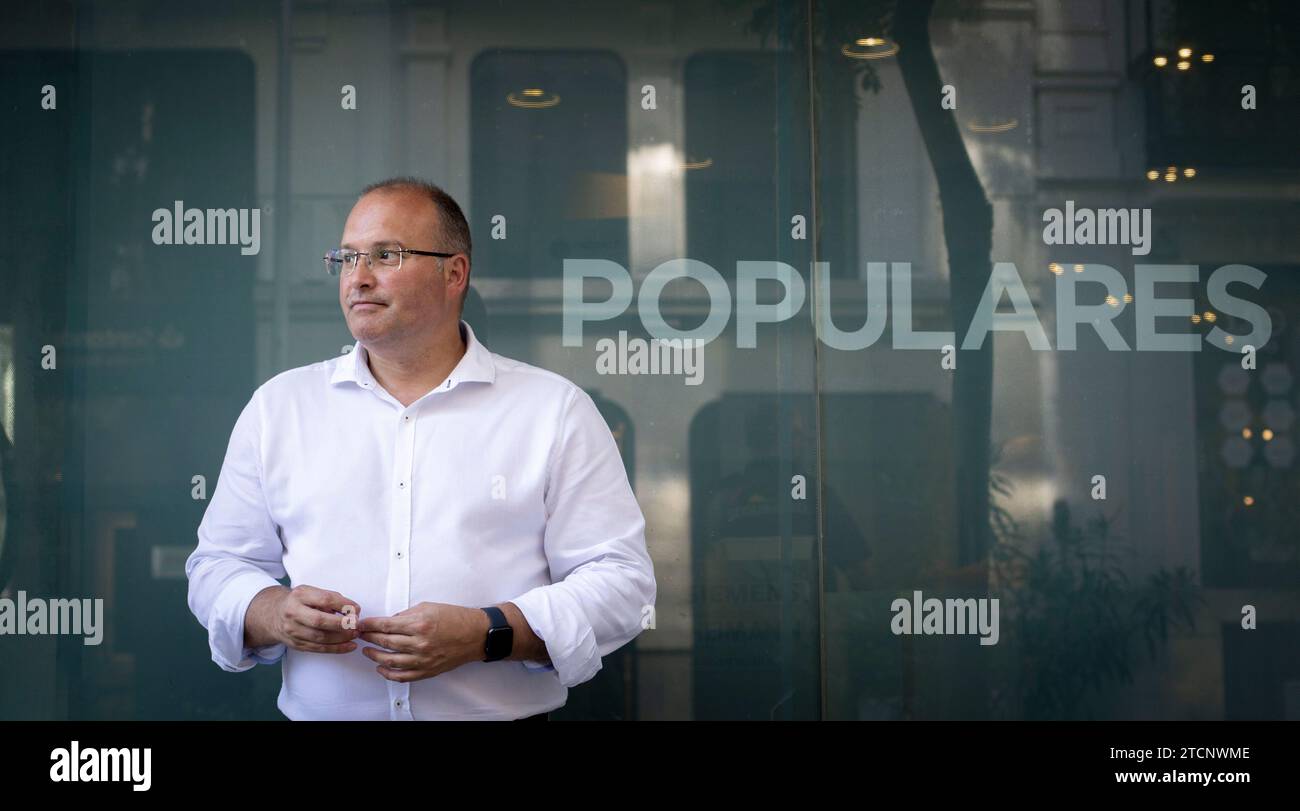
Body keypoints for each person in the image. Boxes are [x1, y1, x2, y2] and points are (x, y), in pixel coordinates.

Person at [185, 177, 655, 720]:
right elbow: (218, 565)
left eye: (386, 255)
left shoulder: (553, 411)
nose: (357, 278)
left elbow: (623, 583)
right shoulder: (279, 408)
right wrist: (271, 611)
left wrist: (489, 632)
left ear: (453, 273)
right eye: (346, 258)